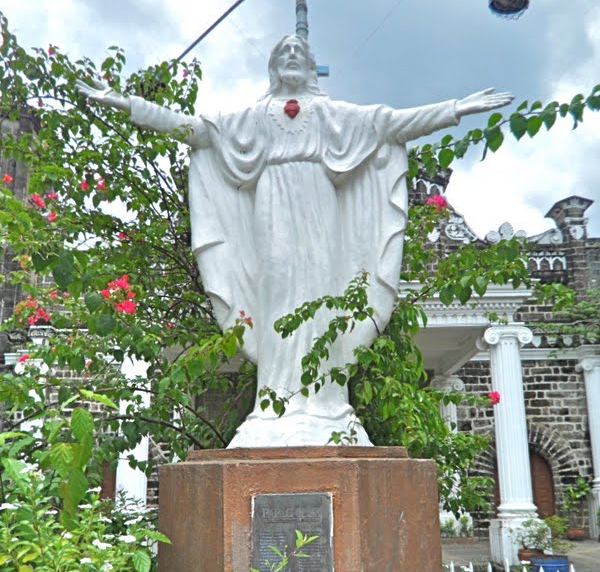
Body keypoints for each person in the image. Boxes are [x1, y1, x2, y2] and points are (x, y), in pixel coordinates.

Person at [77, 35, 512, 447]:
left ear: (308, 65)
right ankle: (274, 402)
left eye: (297, 51)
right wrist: (129, 104)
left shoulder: (328, 113)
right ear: (273, 65)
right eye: (282, 51)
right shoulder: (254, 116)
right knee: (279, 297)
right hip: (272, 207)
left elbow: (391, 124)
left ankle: (326, 403)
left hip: (320, 207)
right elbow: (195, 131)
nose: (290, 56)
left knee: (321, 296)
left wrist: (457, 108)